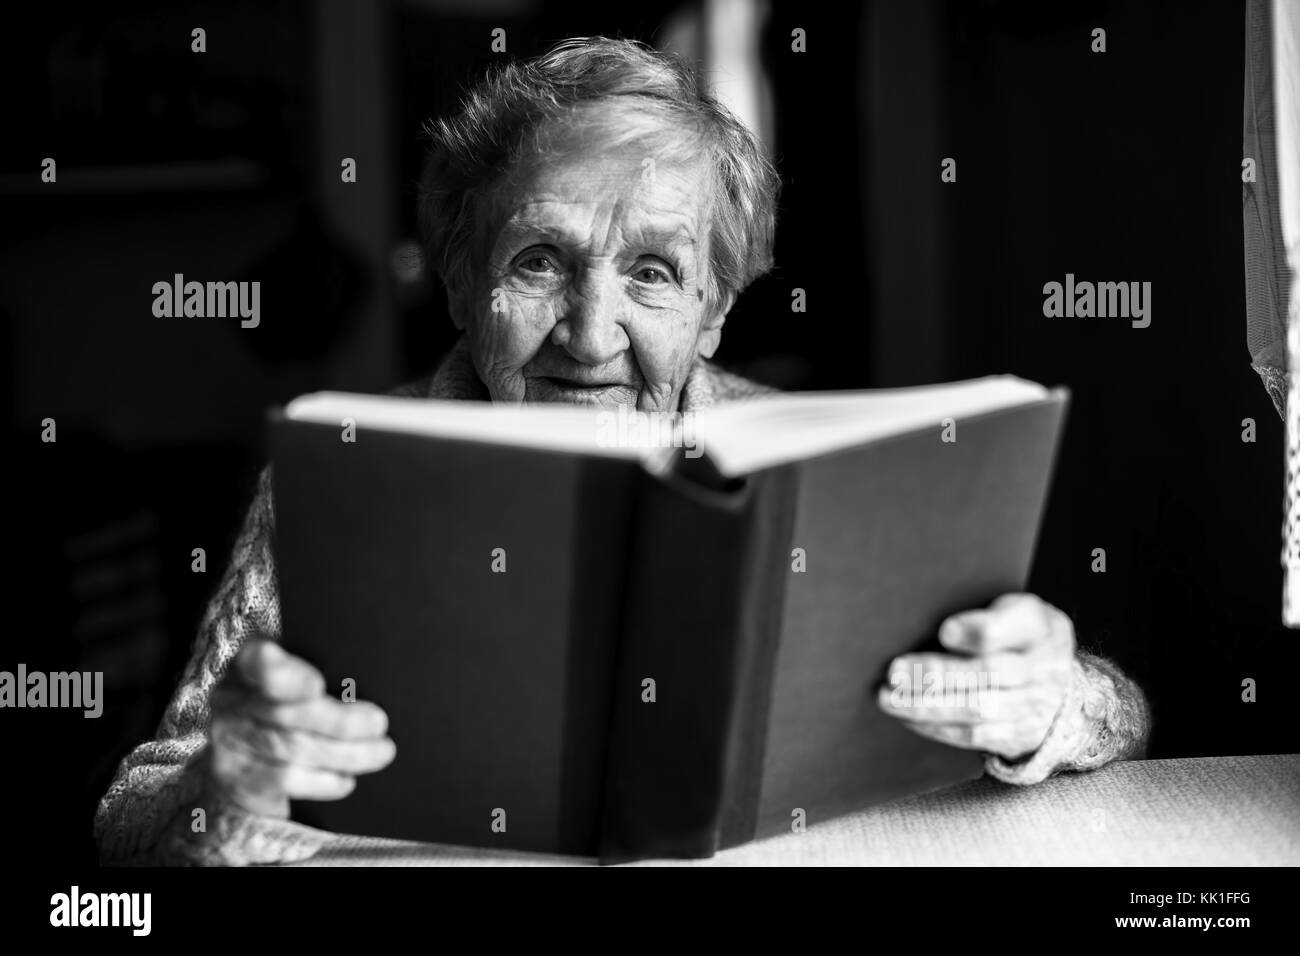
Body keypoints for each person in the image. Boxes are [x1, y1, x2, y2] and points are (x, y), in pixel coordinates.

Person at [95, 36, 1151, 865]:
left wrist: (1046, 702)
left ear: (713, 310)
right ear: (462, 283)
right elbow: (129, 821)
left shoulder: (805, 471)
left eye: (652, 271)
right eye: (540, 261)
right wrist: (221, 794)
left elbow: (1122, 717)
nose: (591, 335)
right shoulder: (335, 478)